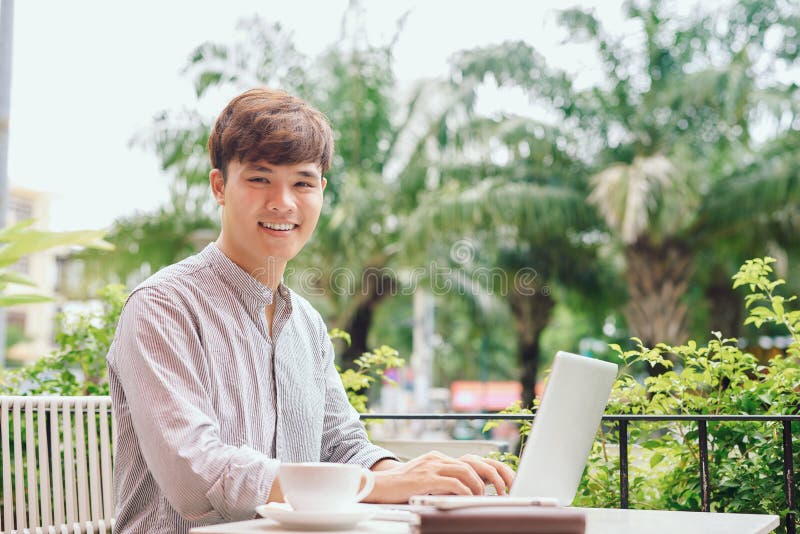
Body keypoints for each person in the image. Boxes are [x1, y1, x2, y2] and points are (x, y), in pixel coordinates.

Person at [106, 87, 515, 534]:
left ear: (321, 191)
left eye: (302, 182)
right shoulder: (163, 307)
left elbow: (341, 445)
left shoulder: (305, 324)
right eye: (260, 178)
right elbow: (197, 477)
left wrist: (416, 478)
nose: (283, 202)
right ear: (219, 186)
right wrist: (370, 486)